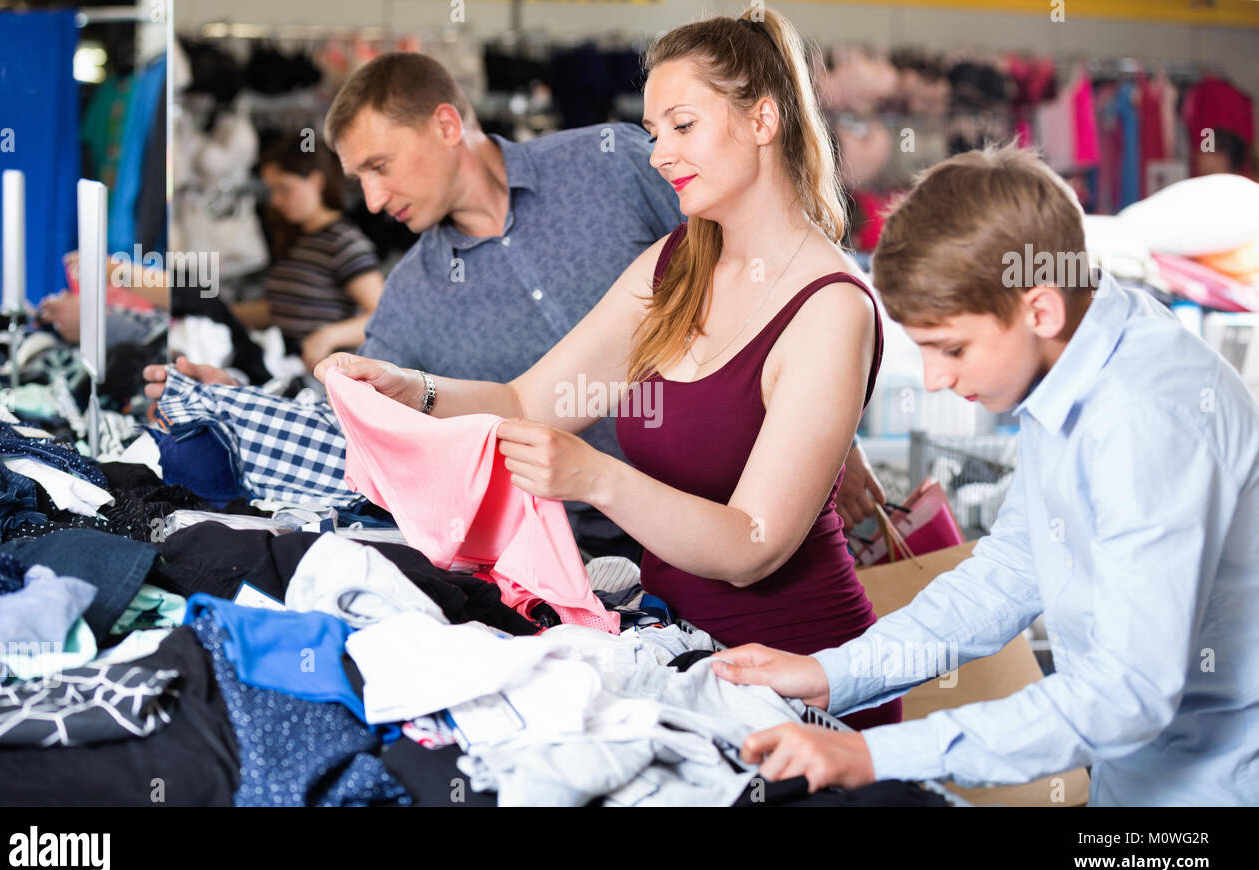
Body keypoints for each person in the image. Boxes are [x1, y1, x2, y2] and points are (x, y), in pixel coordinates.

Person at [316, 9, 901, 729]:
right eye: (655, 134)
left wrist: (594, 476)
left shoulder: (830, 306)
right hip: (681, 657)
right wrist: (420, 390)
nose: (658, 155)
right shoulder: (675, 264)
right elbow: (528, 401)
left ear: (762, 121)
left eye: (682, 127)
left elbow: (753, 546)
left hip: (805, 680)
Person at [146, 50, 887, 554]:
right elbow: (374, 423)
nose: (372, 199)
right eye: (357, 179)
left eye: (380, 166)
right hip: (595, 554)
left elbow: (763, 276)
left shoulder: (615, 163)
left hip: (744, 508)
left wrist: (832, 436)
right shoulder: (411, 297)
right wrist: (243, 406)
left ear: (445, 125)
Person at [711, 145, 1259, 806]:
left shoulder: (1143, 419)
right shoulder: (1074, 358)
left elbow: (1127, 693)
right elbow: (1009, 574)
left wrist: (875, 753)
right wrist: (832, 675)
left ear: (1041, 310)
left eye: (953, 349)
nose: (937, 378)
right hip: (1144, 776)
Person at [226, 138, 384, 372]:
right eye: (272, 191)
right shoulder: (296, 240)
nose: (275, 200)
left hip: (321, 378)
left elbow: (381, 317)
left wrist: (327, 337)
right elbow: (280, 310)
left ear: (316, 181)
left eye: (284, 189)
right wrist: (222, 311)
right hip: (284, 365)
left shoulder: (344, 242)